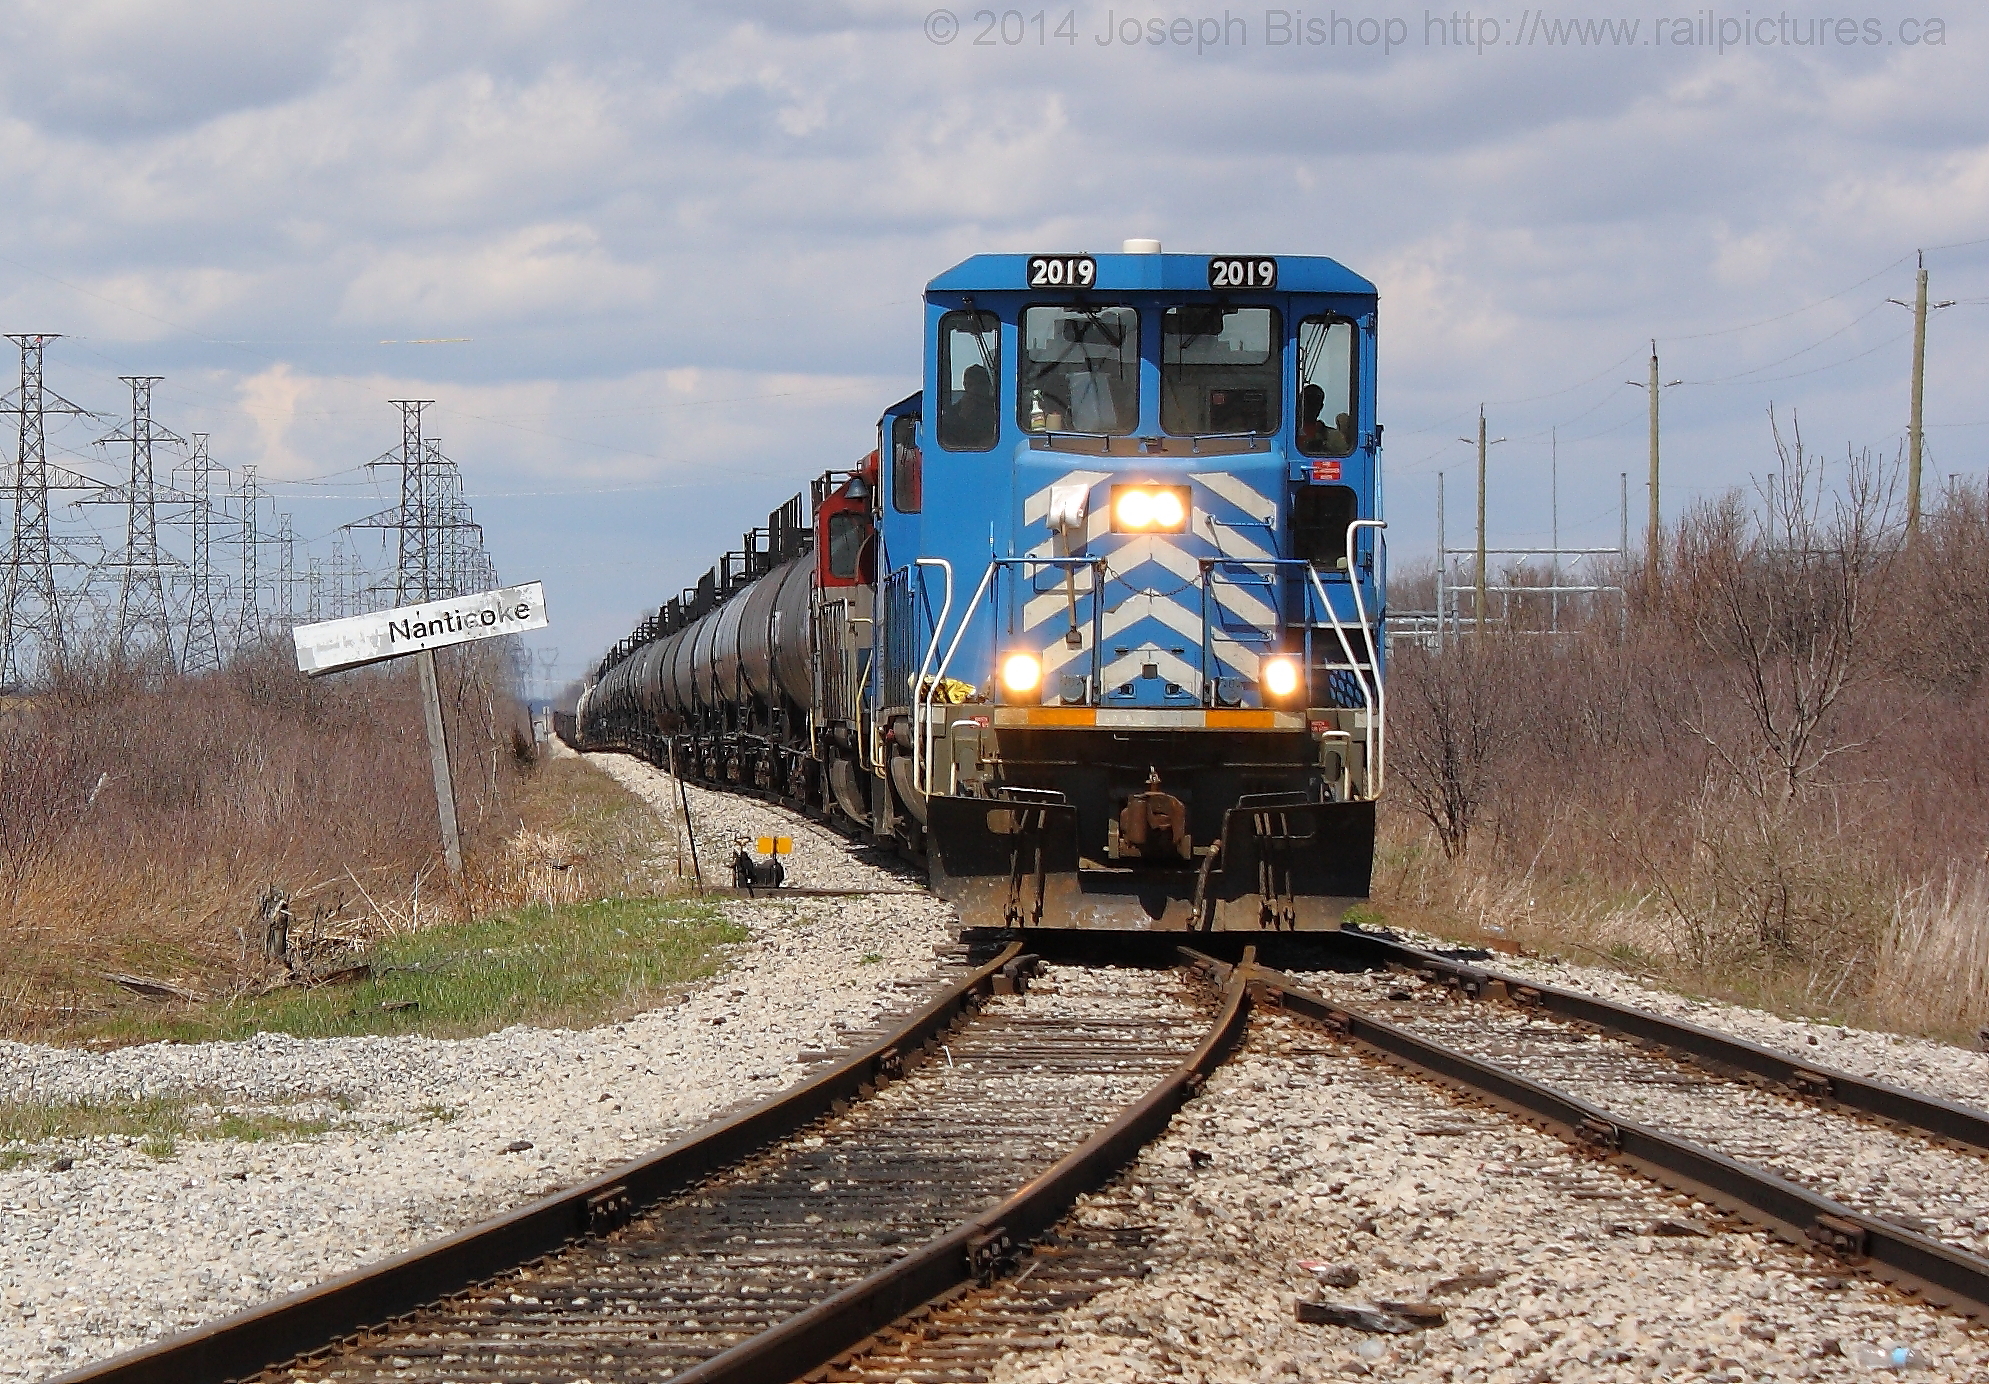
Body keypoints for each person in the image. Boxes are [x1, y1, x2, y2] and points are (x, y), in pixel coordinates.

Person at [944, 364, 997, 448]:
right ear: (965, 385)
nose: (976, 388)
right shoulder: (954, 412)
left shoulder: (998, 408)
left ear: (988, 384)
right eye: (971, 384)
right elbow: (949, 441)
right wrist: (962, 416)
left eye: (981, 383)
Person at [1296, 383, 1351, 456]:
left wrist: (1325, 447)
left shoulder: (1334, 437)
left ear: (1321, 406)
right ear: (1300, 404)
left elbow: (1345, 458)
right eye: (1308, 402)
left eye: (1315, 403)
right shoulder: (1290, 433)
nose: (1311, 407)